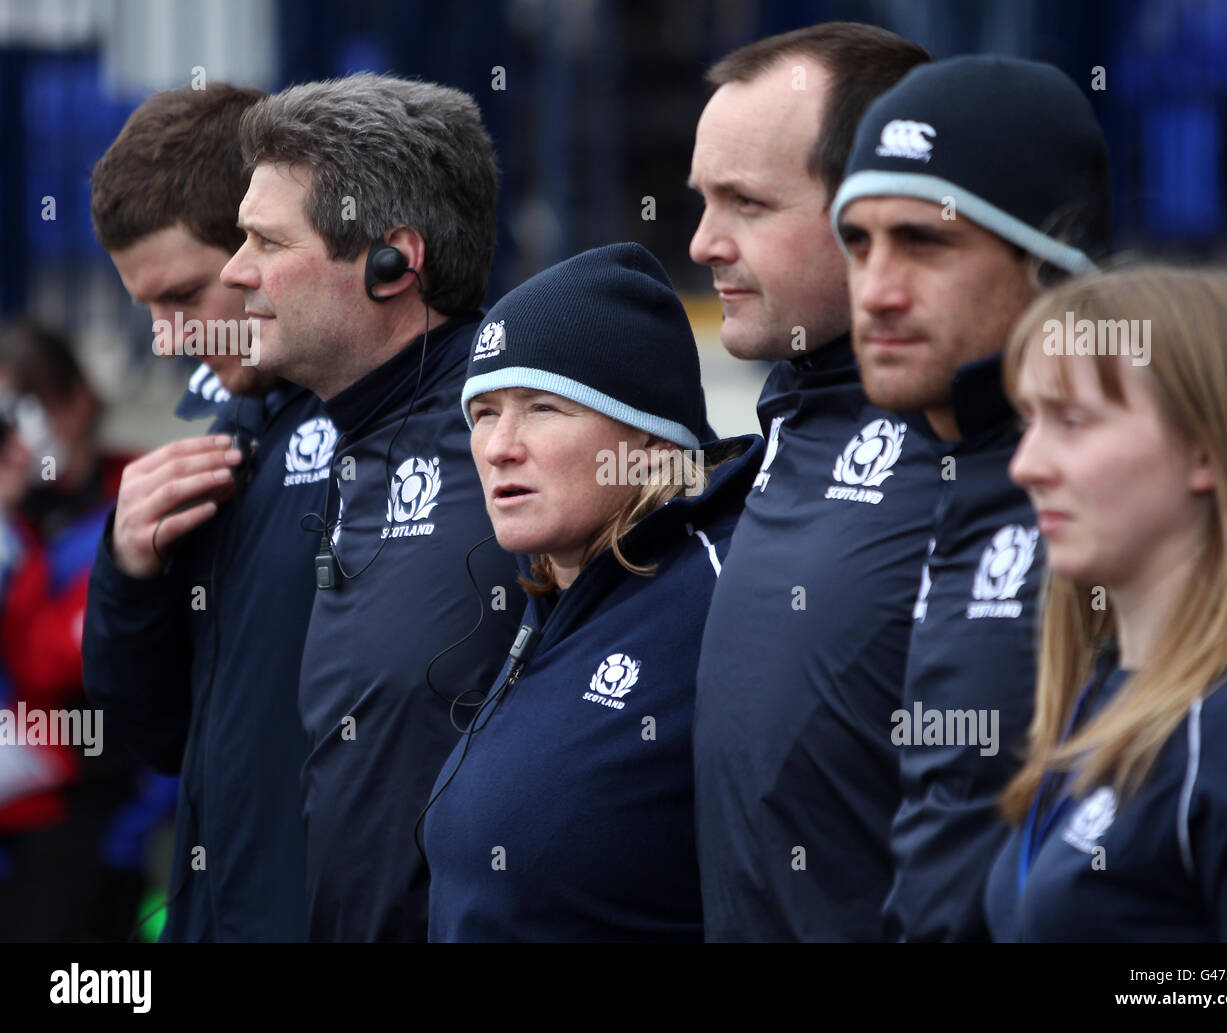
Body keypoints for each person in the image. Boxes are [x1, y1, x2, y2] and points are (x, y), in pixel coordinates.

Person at [219, 73, 521, 941]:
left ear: (394, 262)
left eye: (266, 242)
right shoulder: (346, 425)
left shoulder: (513, 435)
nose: (236, 271)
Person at [831, 54, 1111, 940]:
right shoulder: (931, 462)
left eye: (927, 241)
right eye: (859, 243)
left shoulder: (1135, 498)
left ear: (1052, 265)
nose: (876, 292)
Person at [422, 242, 760, 941]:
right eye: (483, 412)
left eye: (543, 407)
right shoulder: (555, 598)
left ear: (653, 439)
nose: (498, 445)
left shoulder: (726, 596)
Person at [689, 22, 937, 942]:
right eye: (702, 199)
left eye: (746, 203)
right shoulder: (786, 422)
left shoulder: (1003, 452)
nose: (705, 240)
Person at [985, 265, 1227, 941]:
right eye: (1028, 419)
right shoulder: (1104, 691)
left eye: (1072, 421)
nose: (1026, 464)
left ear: (1207, 450)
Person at [83, 82, 331, 941]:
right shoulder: (221, 439)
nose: (168, 336)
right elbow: (153, 740)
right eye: (145, 306)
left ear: (261, 246)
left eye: (184, 297)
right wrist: (128, 573)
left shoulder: (419, 428)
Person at [0, 322, 170, 942]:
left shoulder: (135, 497)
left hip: (95, 814)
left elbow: (48, 664)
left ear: (77, 403)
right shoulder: (13, 516)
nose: (20, 438)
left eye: (29, 410)